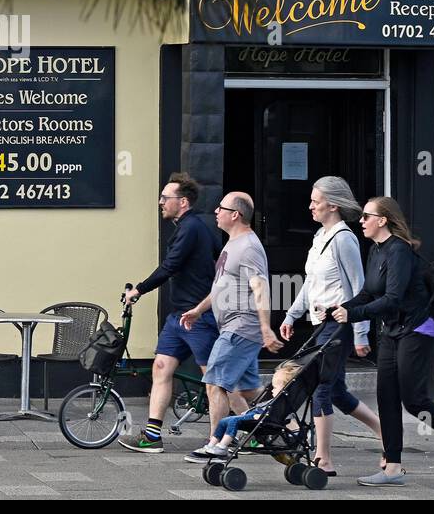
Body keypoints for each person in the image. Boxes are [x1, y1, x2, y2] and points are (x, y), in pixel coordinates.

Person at [332, 196, 434, 486]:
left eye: (367, 216)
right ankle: (392, 467)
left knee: (414, 400)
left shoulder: (399, 252)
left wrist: (353, 314)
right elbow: (369, 293)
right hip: (393, 331)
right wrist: (340, 309)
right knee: (386, 396)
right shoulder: (376, 251)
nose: (362, 221)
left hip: (419, 328)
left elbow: (392, 299)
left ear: (383, 220)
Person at [280, 176, 382, 476]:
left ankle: (323, 459)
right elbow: (310, 283)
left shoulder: (344, 239)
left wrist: (361, 333)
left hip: (340, 325)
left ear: (333, 205)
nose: (310, 206)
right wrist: (291, 315)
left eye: (316, 201)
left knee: (321, 387)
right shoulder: (320, 236)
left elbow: (357, 289)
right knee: (335, 390)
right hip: (320, 323)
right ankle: (386, 433)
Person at [179, 191, 283, 463]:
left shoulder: (249, 246)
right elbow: (222, 286)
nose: (215, 211)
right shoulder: (232, 244)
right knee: (250, 391)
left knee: (214, 382)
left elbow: (260, 287)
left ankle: (217, 443)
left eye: (221, 207)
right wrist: (199, 310)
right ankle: (287, 428)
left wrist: (265, 328)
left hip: (240, 327)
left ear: (235, 214)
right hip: (234, 326)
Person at [119, 172, 219, 453]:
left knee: (214, 379)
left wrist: (138, 289)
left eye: (166, 198)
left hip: (198, 317)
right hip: (178, 316)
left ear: (183, 202)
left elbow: (170, 266)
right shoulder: (188, 227)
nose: (160, 202)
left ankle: (225, 438)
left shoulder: (193, 228)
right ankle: (152, 436)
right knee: (161, 368)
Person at [189, 357, 305, 459]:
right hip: (255, 416)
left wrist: (258, 415)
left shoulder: (283, 404)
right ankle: (212, 445)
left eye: (275, 388)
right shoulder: (275, 400)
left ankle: (223, 446)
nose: (272, 390)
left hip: (262, 420)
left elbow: (283, 415)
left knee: (233, 421)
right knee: (224, 421)